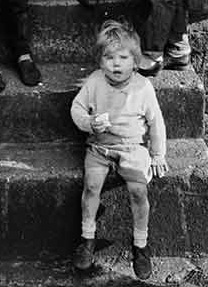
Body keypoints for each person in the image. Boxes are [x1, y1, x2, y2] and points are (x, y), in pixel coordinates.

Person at [70, 20, 167, 279]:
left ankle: (141, 244)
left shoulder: (142, 87)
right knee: (91, 185)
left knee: (138, 191)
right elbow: (76, 109)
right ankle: (87, 239)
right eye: (109, 57)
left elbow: (156, 121)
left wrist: (158, 154)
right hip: (100, 146)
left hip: (132, 146)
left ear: (135, 61)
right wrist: (89, 123)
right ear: (100, 62)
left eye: (123, 57)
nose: (116, 63)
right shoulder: (94, 82)